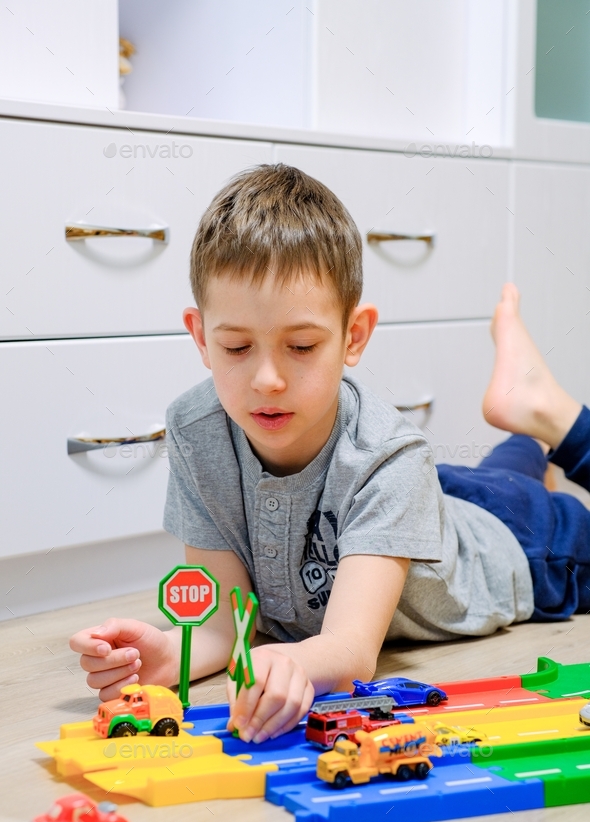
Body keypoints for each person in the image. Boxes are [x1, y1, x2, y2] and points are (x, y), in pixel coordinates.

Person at [70, 165, 590, 744]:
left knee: (512, 496)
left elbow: (348, 650)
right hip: (427, 500)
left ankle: (556, 420)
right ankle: (526, 428)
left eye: (301, 346)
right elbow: (224, 625)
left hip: (521, 545)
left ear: (354, 337)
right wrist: (169, 653)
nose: (267, 378)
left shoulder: (390, 459)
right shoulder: (197, 432)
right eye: (237, 346)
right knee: (496, 472)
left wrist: (298, 663)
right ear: (200, 337)